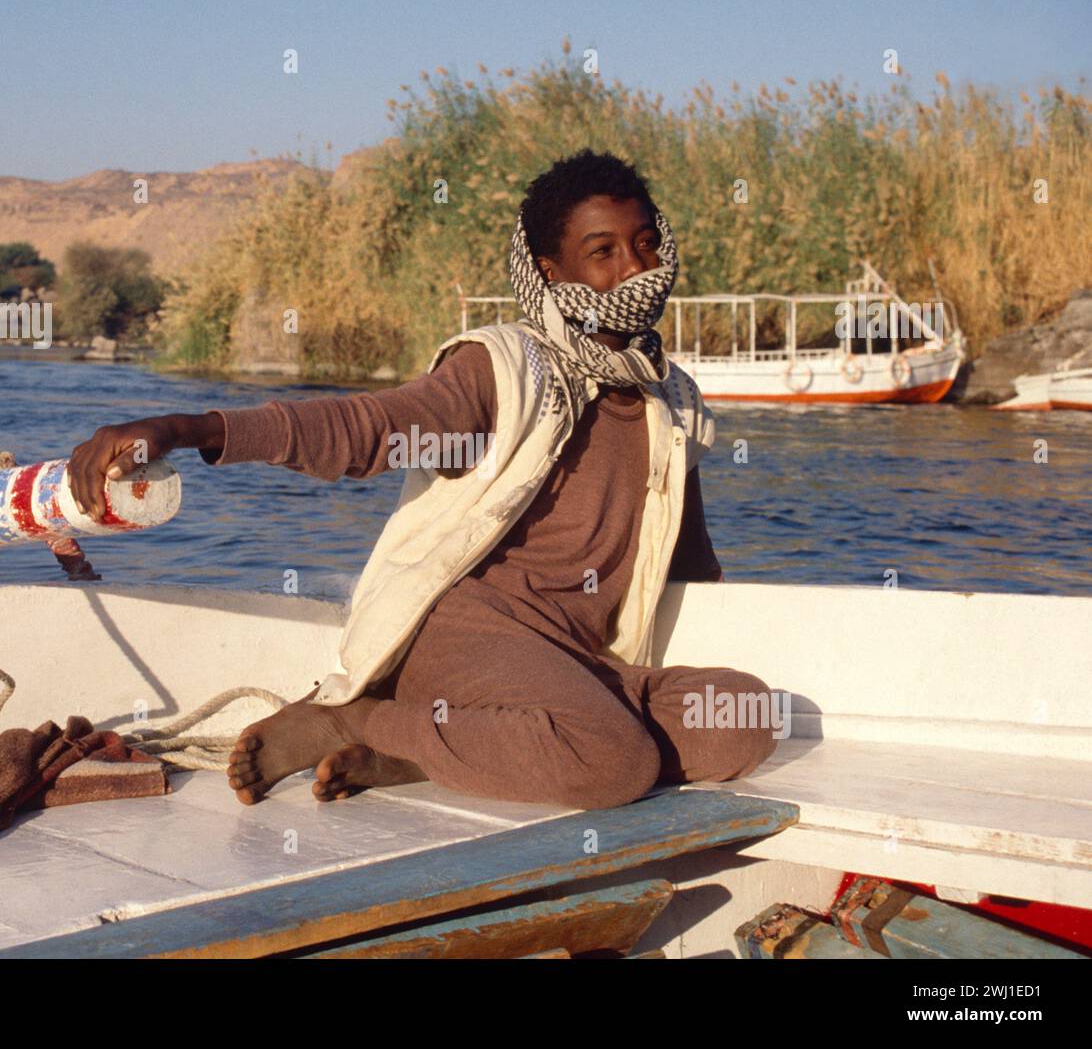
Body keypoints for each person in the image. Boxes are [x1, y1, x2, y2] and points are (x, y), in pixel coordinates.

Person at [68, 149, 777, 811]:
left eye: (645, 242)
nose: (634, 267)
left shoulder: (673, 399)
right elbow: (365, 428)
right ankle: (361, 717)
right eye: (603, 252)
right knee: (614, 764)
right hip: (467, 637)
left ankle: (428, 752)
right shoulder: (504, 369)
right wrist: (191, 429)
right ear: (551, 271)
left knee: (744, 722)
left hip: (584, 658)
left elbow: (685, 546)